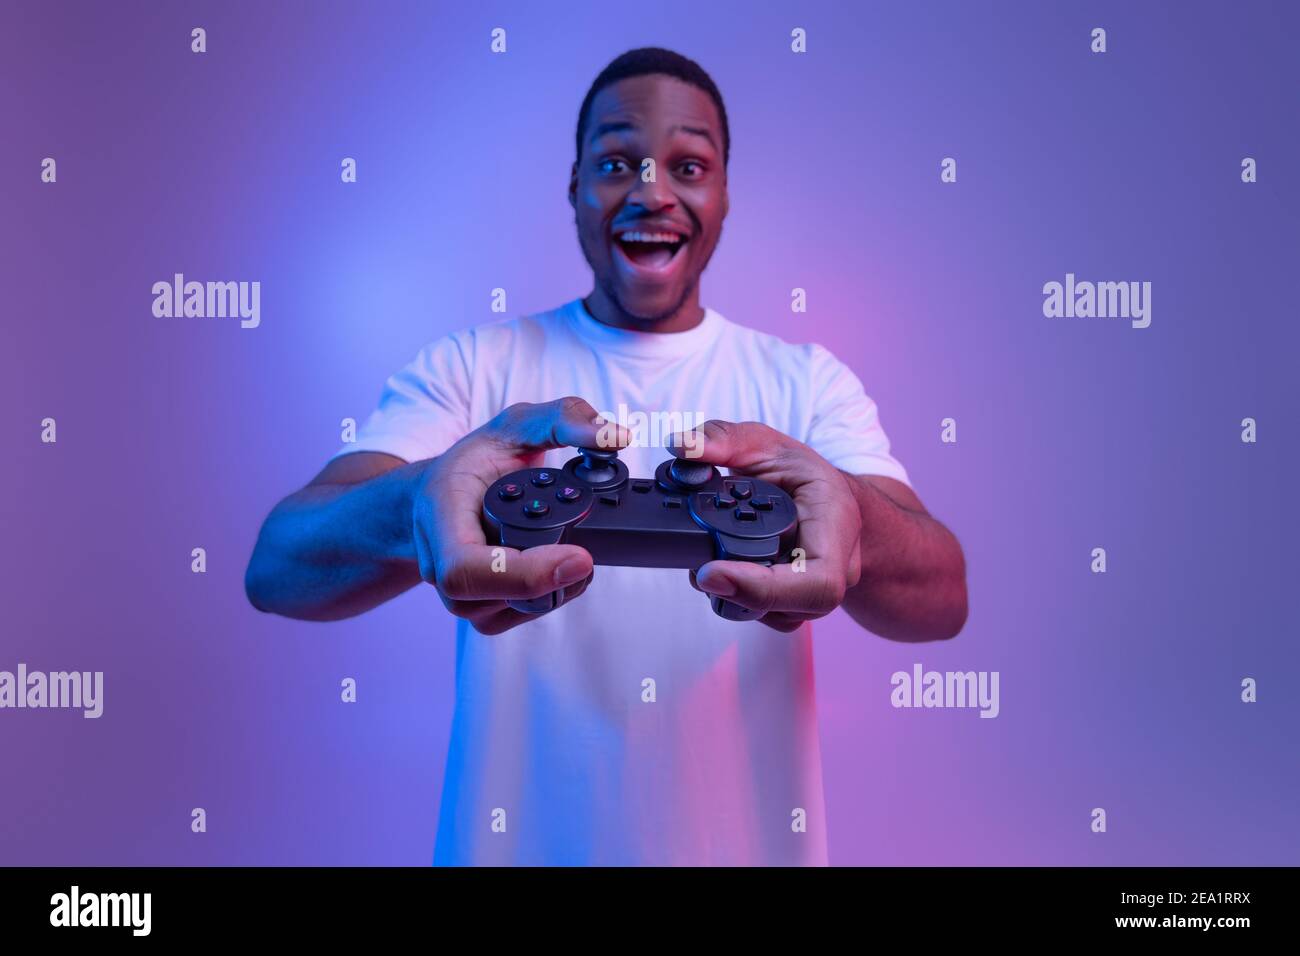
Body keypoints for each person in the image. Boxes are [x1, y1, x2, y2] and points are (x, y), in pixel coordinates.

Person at [245, 47, 968, 866]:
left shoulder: (804, 383)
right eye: (618, 161)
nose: (652, 190)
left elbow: (944, 599)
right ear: (575, 190)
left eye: (687, 164)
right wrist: (417, 503)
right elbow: (276, 566)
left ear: (725, 195)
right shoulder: (472, 369)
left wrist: (855, 520)